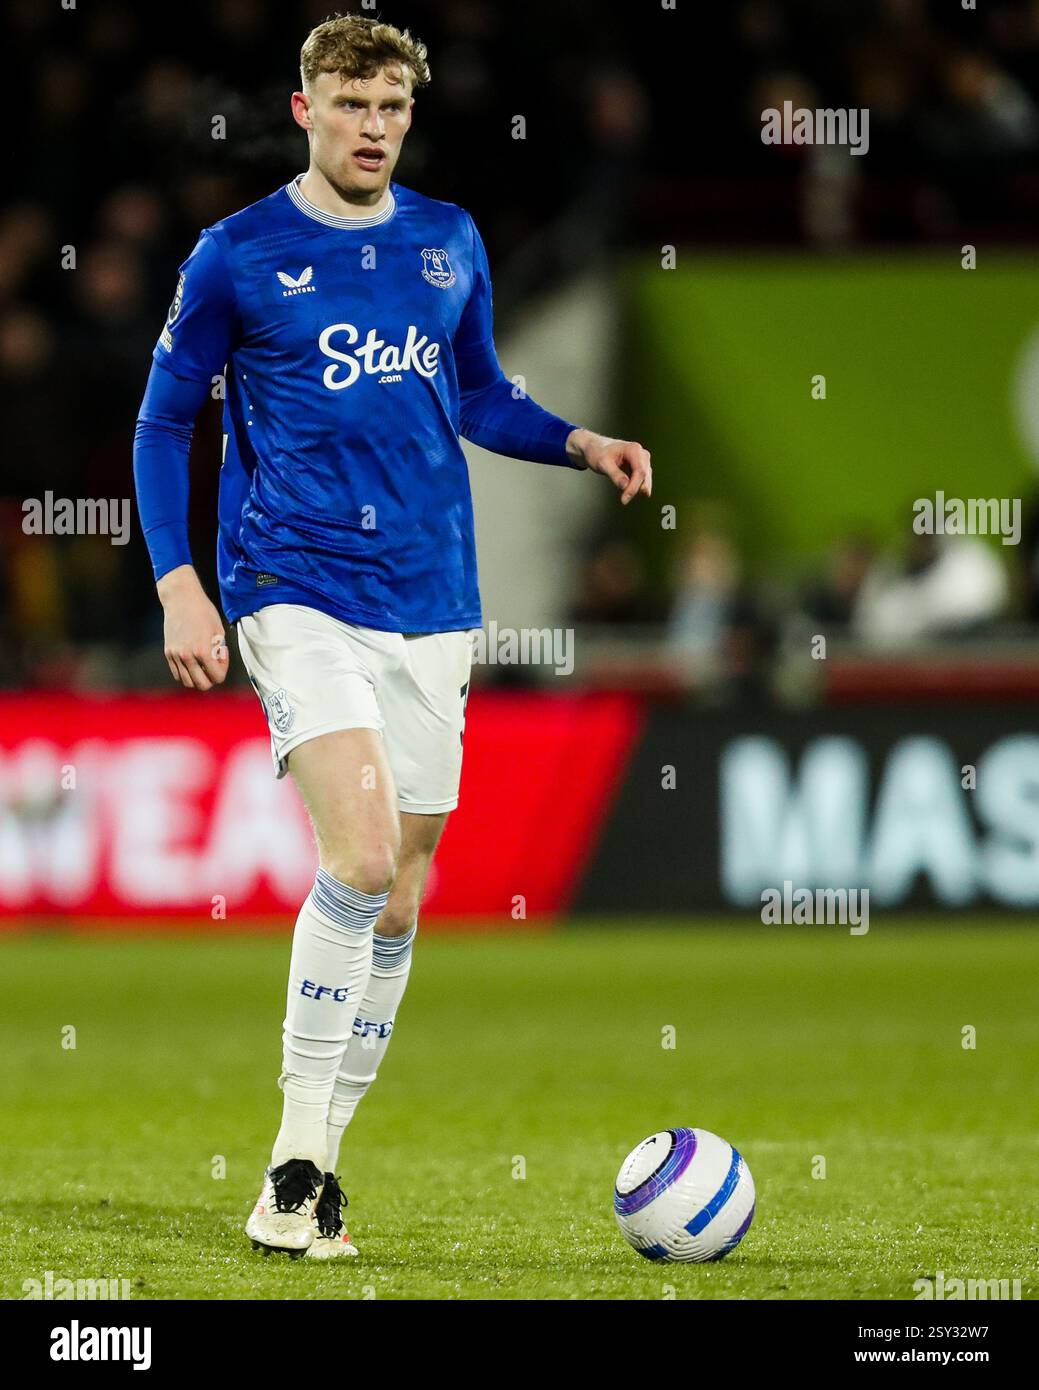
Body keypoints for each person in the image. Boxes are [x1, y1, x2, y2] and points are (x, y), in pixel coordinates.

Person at [132, 13, 651, 1260]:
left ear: (410, 115)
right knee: (359, 857)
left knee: (404, 891)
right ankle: (293, 1166)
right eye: (351, 105)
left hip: (433, 603)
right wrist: (178, 584)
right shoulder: (236, 254)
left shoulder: (446, 239)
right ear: (304, 107)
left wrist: (577, 440)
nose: (373, 128)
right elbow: (164, 425)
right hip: (293, 587)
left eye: (392, 109)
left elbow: (474, 391)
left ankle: (324, 1162)